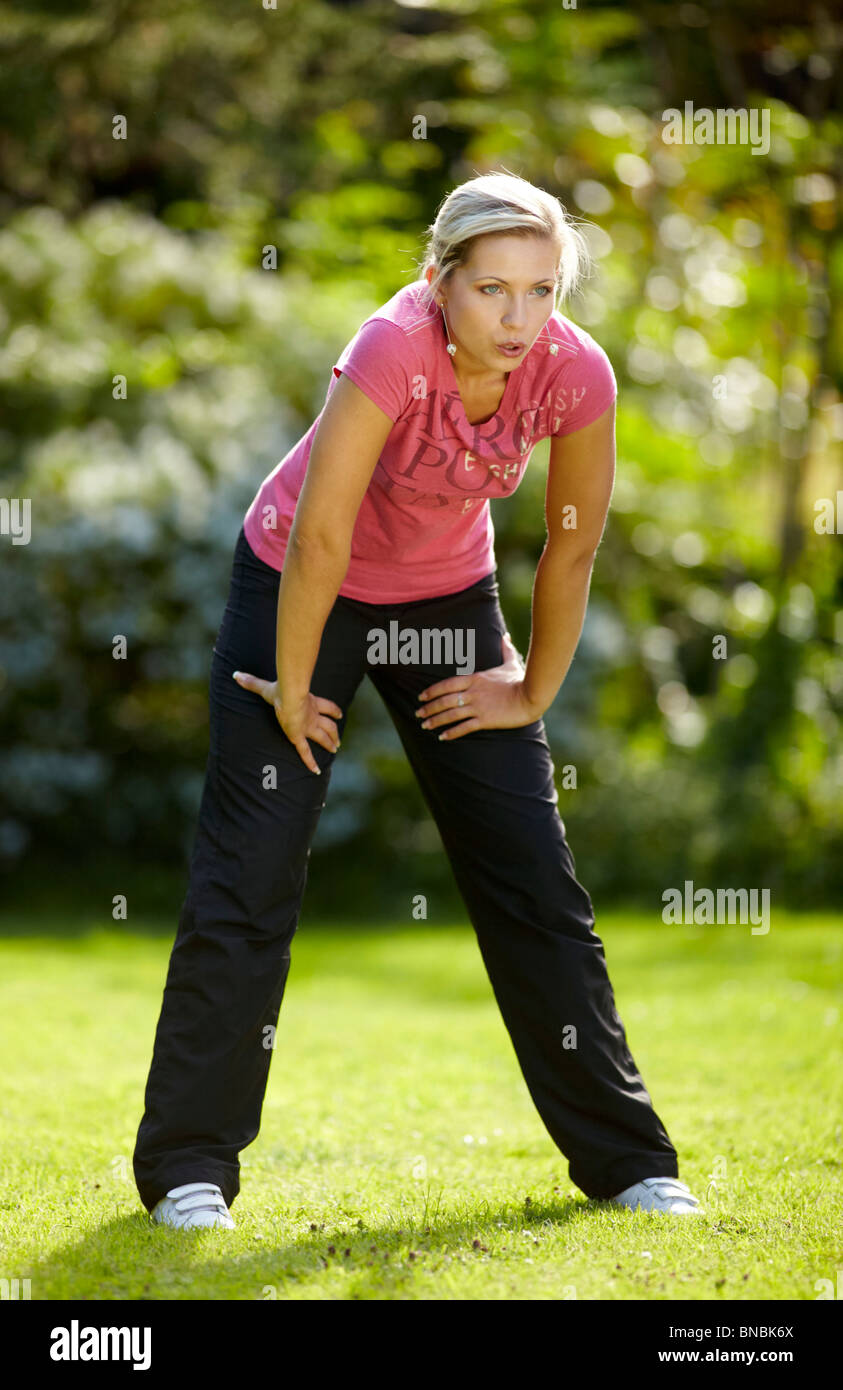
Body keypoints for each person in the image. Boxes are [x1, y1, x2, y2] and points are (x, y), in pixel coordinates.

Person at [133, 171, 701, 1230]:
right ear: (441, 281)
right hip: (302, 589)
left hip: (446, 599)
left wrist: (530, 689)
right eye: (492, 289)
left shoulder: (575, 372)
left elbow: (572, 543)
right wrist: (292, 692)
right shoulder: (392, 348)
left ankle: (631, 1162)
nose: (519, 317)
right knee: (249, 874)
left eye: (540, 290)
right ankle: (187, 1170)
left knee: (534, 875)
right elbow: (320, 536)